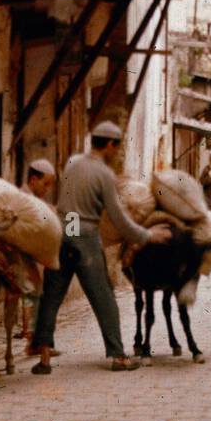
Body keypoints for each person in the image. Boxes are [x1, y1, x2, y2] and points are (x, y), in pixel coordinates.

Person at [30, 121, 171, 374]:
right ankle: (118, 356)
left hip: (63, 230)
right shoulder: (105, 174)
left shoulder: (73, 162)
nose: (117, 152)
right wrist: (147, 234)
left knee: (52, 294)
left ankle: (43, 358)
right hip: (85, 234)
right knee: (103, 295)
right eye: (117, 147)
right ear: (109, 144)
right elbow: (118, 217)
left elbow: (69, 203)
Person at [17, 158, 56, 344]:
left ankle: (34, 340)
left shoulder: (33, 201)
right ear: (33, 180)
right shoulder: (22, 199)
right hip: (12, 257)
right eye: (45, 183)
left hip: (25, 258)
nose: (47, 188)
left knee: (35, 292)